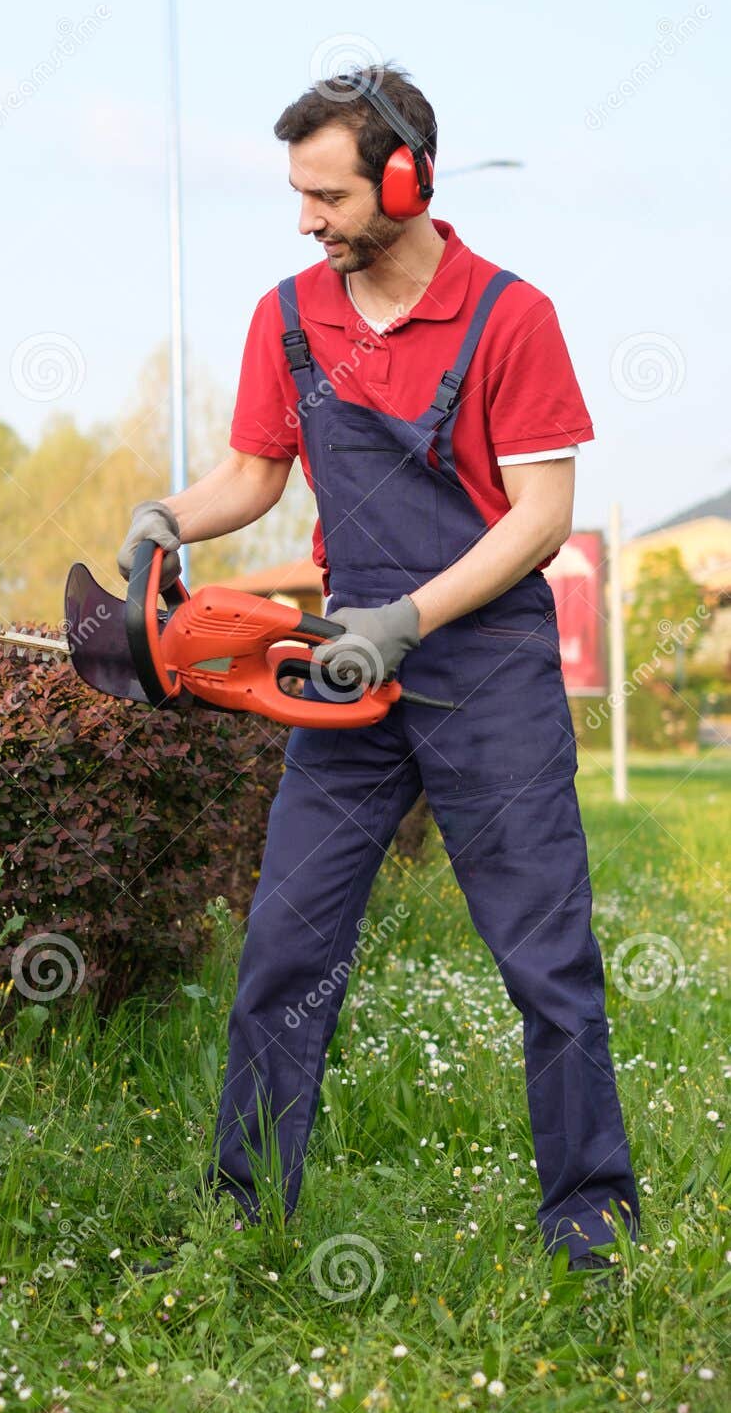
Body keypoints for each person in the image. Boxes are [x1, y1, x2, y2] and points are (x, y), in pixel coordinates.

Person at [117, 65, 639, 1272]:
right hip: (345, 677)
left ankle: (591, 1225)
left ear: (405, 178)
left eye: (328, 194)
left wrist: (408, 616)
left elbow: (539, 517)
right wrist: (164, 518)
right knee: (284, 950)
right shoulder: (290, 318)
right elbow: (254, 474)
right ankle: (242, 1211)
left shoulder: (510, 317)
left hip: (488, 672)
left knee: (544, 959)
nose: (307, 218)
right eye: (298, 194)